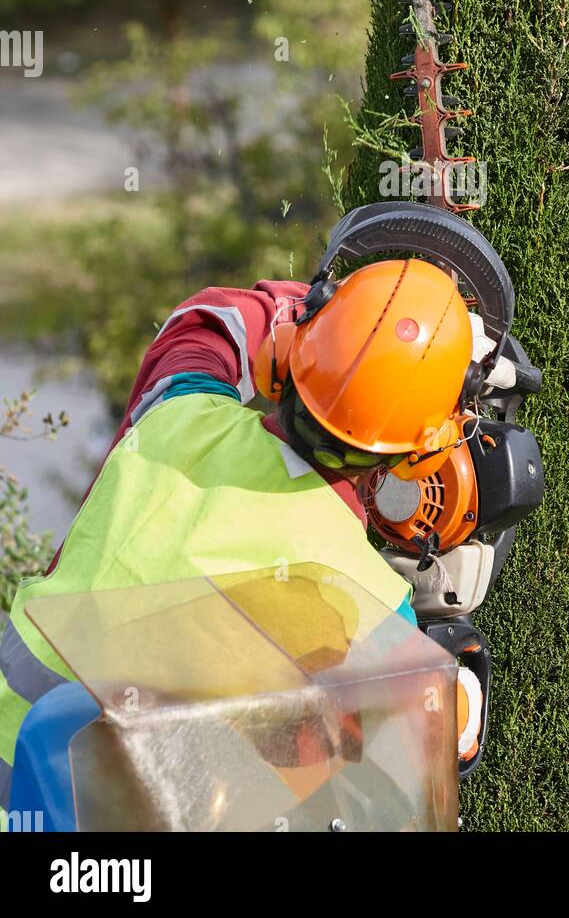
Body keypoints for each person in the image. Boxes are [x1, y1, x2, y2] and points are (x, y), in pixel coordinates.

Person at [0, 253, 485, 814]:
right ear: (421, 452)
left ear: (293, 356)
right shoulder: (366, 598)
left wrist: (319, 314)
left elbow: (204, 322)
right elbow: (442, 726)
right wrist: (464, 691)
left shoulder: (177, 416)